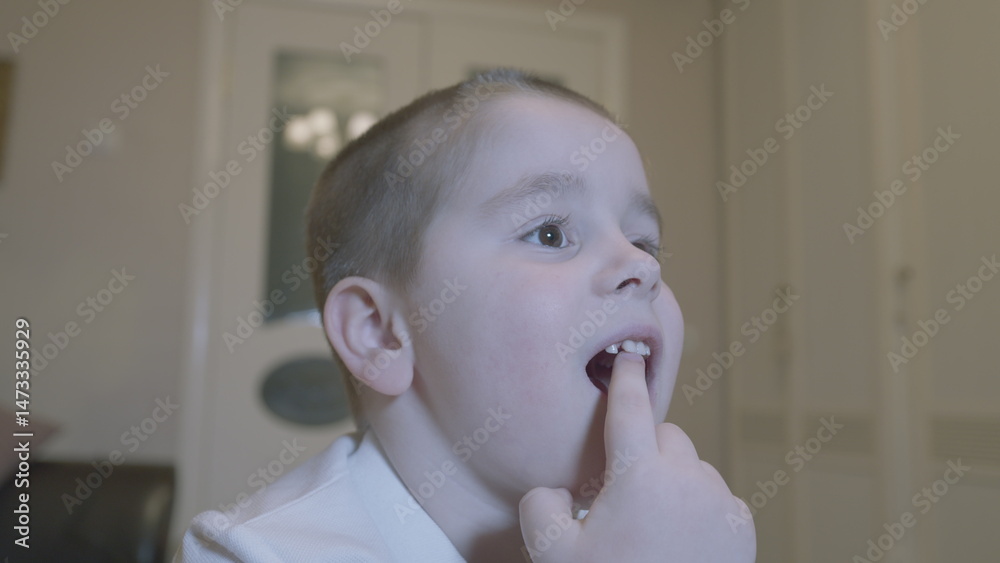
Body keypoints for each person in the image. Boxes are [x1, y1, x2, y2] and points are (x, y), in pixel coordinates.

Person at [175, 68, 755, 562]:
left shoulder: (661, 533)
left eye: (644, 242)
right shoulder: (255, 553)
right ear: (380, 333)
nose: (642, 267)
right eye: (550, 234)